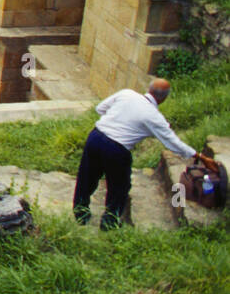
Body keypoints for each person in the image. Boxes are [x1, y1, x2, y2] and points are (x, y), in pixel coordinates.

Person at [73, 78, 215, 230]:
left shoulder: (126, 94)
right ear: (164, 98)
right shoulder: (153, 117)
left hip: (95, 136)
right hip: (117, 148)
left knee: (87, 176)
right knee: (119, 186)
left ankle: (80, 214)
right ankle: (109, 223)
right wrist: (200, 157)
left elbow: (100, 108)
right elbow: (172, 142)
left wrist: (118, 120)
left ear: (149, 89)